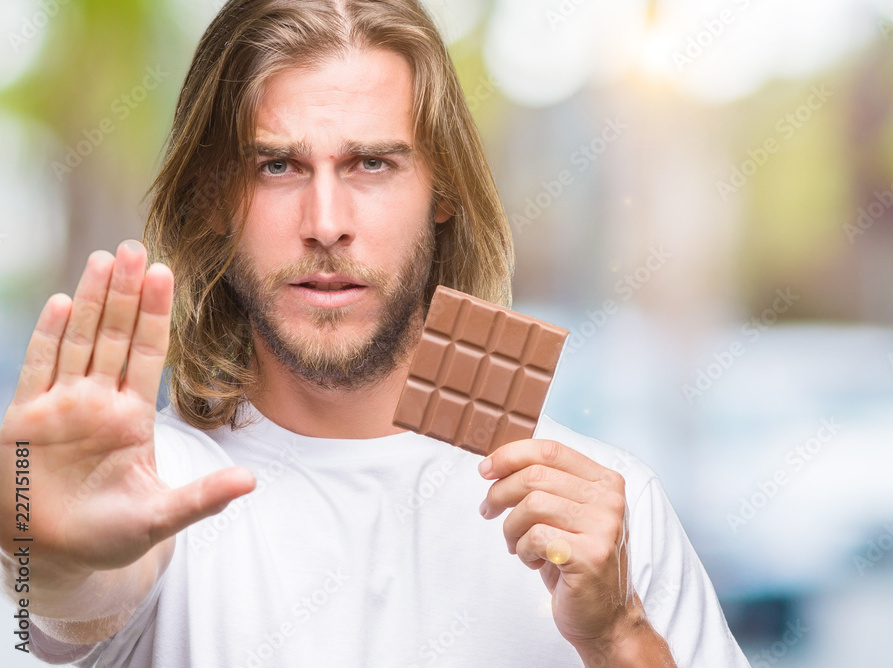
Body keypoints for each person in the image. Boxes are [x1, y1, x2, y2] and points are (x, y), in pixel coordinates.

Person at [0, 1, 750, 666]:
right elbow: (75, 594)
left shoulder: (608, 513)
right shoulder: (147, 489)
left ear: (443, 193)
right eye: (277, 165)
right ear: (214, 200)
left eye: (371, 163)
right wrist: (44, 549)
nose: (326, 223)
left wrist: (618, 635)